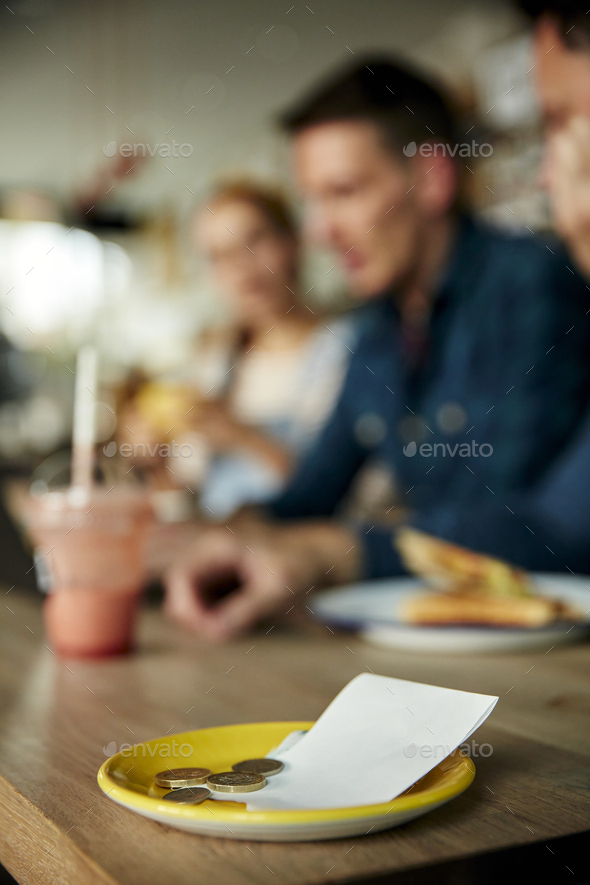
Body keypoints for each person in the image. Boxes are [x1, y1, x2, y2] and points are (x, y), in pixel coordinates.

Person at [163, 57, 590, 640]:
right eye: (310, 200)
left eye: (342, 192)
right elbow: (313, 490)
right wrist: (212, 538)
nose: (317, 231)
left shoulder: (533, 287)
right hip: (435, 642)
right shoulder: (374, 330)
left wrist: (335, 550)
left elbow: (528, 530)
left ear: (434, 179)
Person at [120, 181, 354, 519]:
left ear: (293, 241)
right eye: (218, 256)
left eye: (254, 241)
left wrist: (241, 436)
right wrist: (155, 463)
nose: (241, 267)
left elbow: (352, 497)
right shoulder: (218, 358)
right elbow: (191, 492)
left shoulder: (346, 350)